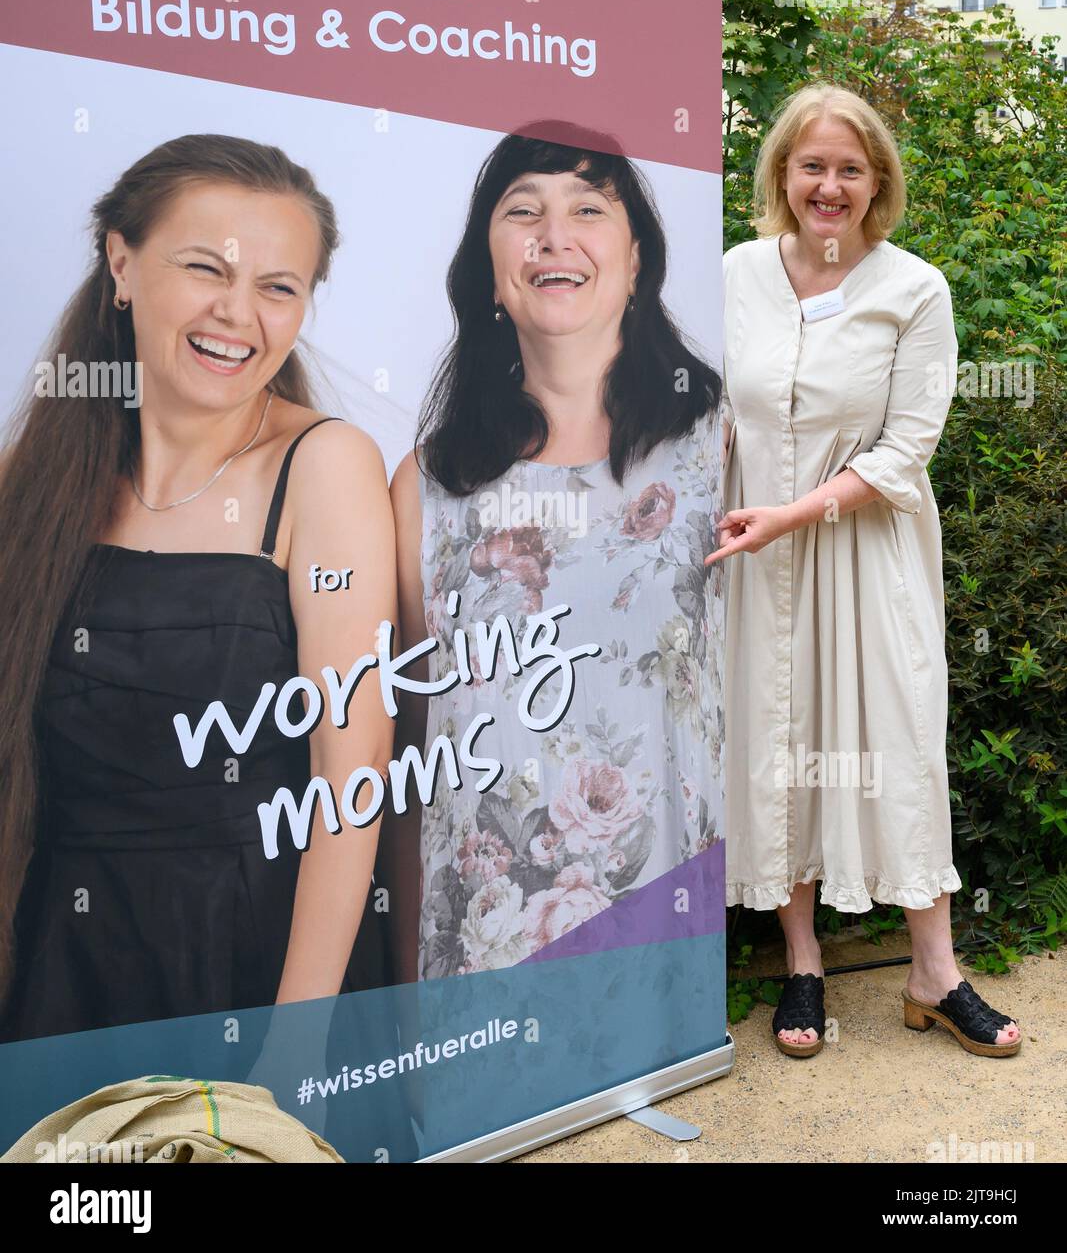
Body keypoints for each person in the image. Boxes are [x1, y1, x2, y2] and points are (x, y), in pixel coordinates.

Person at [0, 133, 397, 1041]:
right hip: (58, 963)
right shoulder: (33, 484)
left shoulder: (324, 467)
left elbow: (351, 783)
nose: (238, 314)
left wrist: (298, 1054)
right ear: (122, 263)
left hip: (255, 960)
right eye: (205, 268)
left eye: (278, 287)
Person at [708, 83, 1022, 1058]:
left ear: (876, 181)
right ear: (781, 175)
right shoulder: (734, 276)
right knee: (779, 738)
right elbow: (710, 416)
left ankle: (933, 968)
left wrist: (789, 514)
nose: (828, 186)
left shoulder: (913, 289)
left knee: (893, 744)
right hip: (755, 566)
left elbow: (903, 451)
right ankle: (798, 962)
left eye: (849, 168)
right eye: (812, 166)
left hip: (865, 559)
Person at [388, 123, 725, 981]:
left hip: (661, 940)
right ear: (488, 269)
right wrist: (404, 993)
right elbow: (406, 751)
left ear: (638, 257)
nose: (553, 235)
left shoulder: (718, 445)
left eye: (588, 207)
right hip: (478, 957)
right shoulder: (425, 487)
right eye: (521, 210)